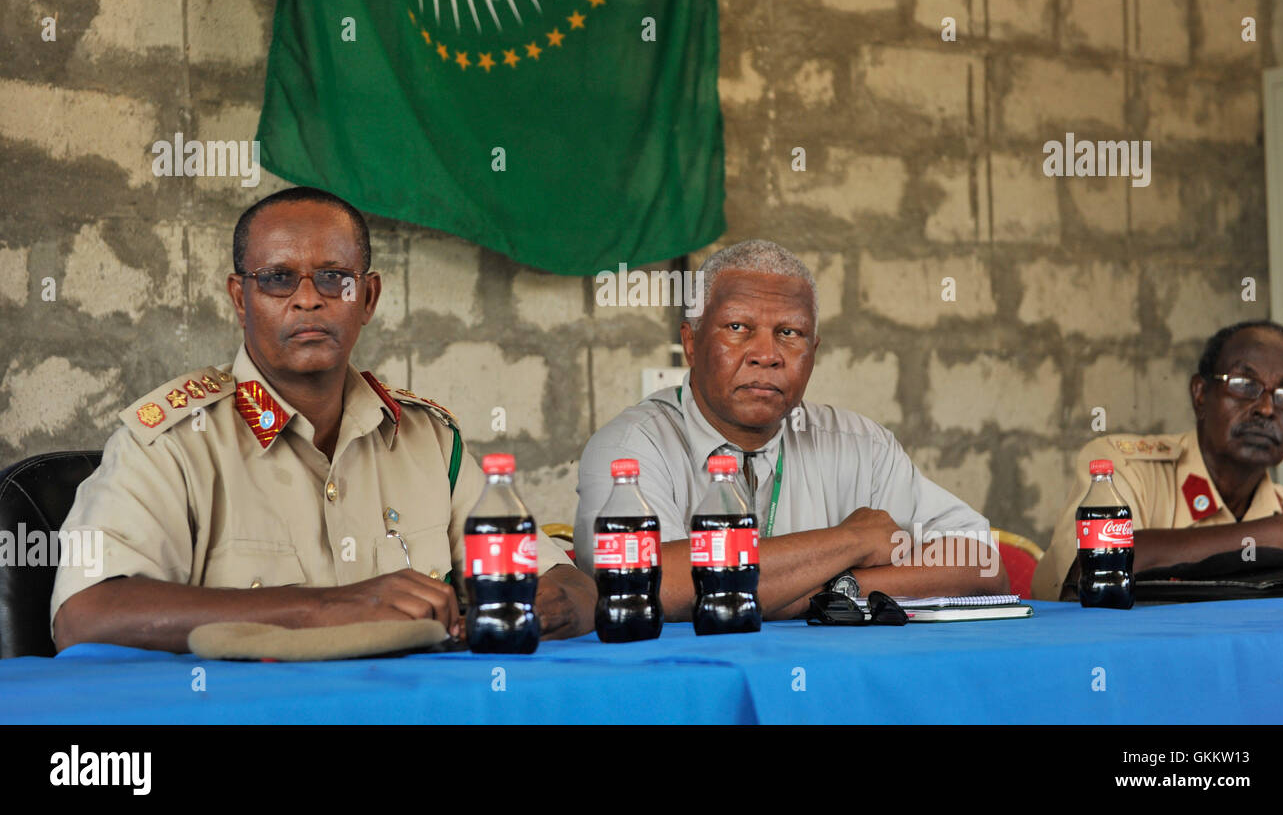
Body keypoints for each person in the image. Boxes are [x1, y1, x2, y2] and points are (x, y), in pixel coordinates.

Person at [51, 187, 595, 652]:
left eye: (334, 278)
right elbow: (86, 615)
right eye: (278, 279)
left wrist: (556, 604)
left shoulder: (427, 440)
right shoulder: (172, 444)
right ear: (240, 299)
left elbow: (566, 581)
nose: (308, 300)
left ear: (369, 297)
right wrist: (325, 608)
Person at [575, 240, 1008, 620]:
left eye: (789, 332)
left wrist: (829, 592)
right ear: (691, 342)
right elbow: (655, 585)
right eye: (738, 328)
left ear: (813, 351)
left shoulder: (862, 447)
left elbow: (982, 564)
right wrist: (853, 540)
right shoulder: (630, 447)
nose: (767, 354)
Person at [1033, 320, 1283, 600]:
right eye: (1245, 385)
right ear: (1200, 395)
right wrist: (1275, 536)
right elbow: (1094, 572)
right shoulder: (1121, 467)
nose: (1268, 409)